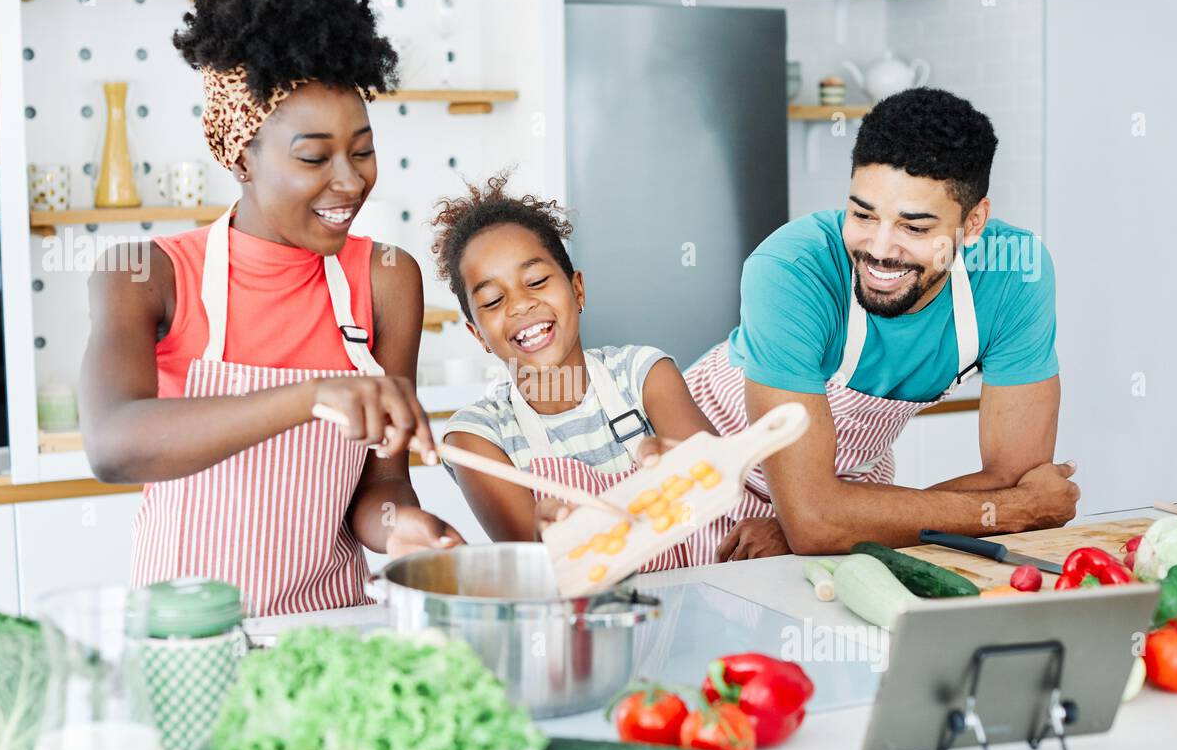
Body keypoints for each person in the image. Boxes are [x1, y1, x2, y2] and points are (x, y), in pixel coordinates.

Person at [80, 0, 463, 617]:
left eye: (362, 152)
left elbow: (383, 484)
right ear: (240, 157)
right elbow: (114, 445)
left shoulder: (386, 279)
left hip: (333, 630)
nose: (348, 182)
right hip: (194, 641)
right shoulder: (146, 275)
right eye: (314, 158)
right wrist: (315, 397)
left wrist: (402, 529)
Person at [681, 87, 1079, 555]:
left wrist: (838, 522)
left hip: (852, 491)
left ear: (973, 224)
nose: (880, 249)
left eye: (915, 228)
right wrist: (816, 521)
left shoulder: (1014, 272)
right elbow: (1022, 503)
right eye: (863, 214)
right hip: (696, 483)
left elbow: (1014, 479)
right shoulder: (791, 268)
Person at [433, 173, 777, 564]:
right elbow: (538, 565)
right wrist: (544, 536)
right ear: (478, 335)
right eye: (493, 301)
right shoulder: (475, 437)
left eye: (536, 280)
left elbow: (717, 487)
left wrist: (676, 467)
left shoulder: (643, 374)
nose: (519, 305)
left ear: (577, 289)